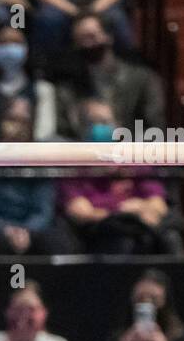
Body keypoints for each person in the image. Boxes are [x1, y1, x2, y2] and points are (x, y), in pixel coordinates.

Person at [58, 99, 176, 255]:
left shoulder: (134, 159)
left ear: (118, 125)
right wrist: (123, 214)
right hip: (100, 233)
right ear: (81, 126)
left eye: (105, 122)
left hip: (139, 229)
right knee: (119, 239)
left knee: (169, 237)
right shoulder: (74, 166)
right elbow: (80, 212)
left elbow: (158, 205)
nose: (99, 127)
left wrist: (141, 211)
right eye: (92, 122)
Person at [0, 97, 73, 255]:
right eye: (12, 119)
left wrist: (26, 231)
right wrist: (6, 230)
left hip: (31, 229)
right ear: (0, 120)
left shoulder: (40, 159)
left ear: (31, 125)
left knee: (59, 242)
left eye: (24, 121)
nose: (17, 127)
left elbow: (43, 209)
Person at [55, 12, 163, 135]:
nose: (87, 44)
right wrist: (79, 119)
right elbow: (63, 134)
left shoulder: (142, 79)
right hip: (85, 151)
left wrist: (115, 125)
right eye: (81, 39)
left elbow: (156, 132)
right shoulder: (68, 88)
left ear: (108, 36)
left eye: (91, 36)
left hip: (128, 150)